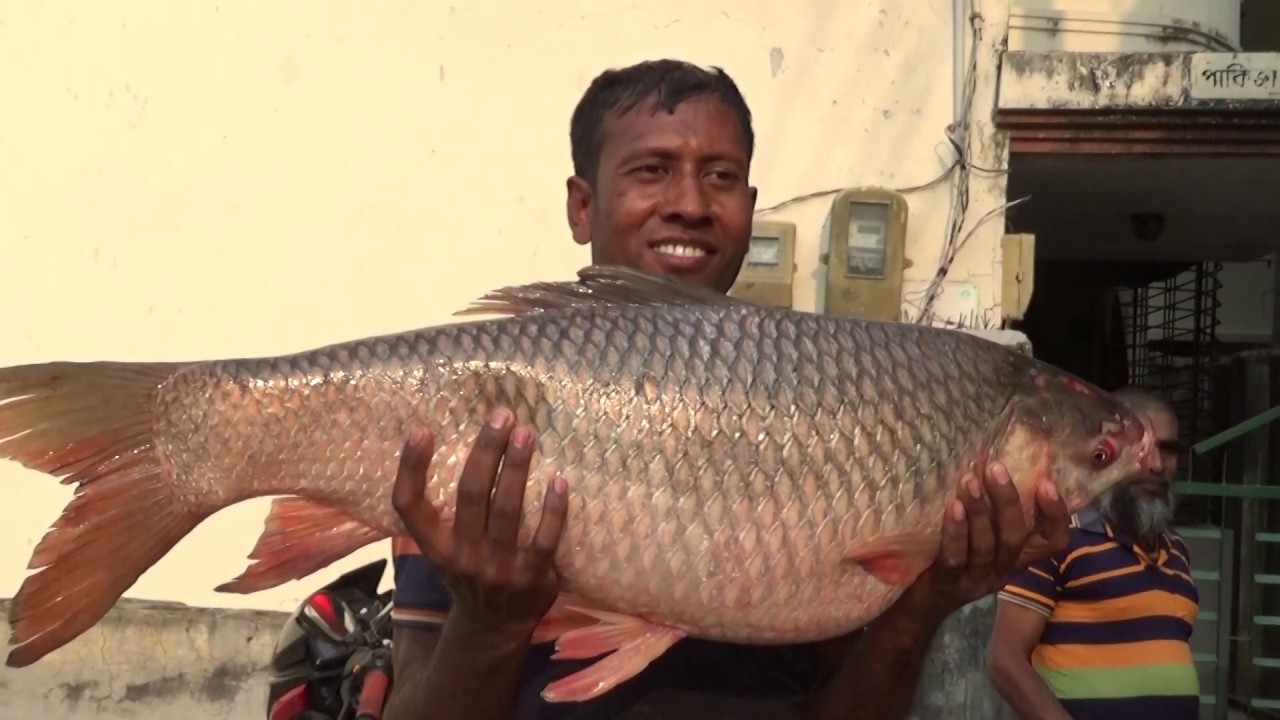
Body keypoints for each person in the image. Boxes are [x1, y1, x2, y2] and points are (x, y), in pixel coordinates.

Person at [382, 58, 1072, 720]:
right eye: (651, 171)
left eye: (720, 176)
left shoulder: (832, 405)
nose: (689, 204)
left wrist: (929, 599)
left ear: (749, 205)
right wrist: (488, 622)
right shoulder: (479, 410)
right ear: (582, 205)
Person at [988, 386, 1199, 720]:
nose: (1156, 465)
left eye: (1168, 450)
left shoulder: (1177, 552)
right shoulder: (1057, 539)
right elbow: (1005, 660)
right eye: (1141, 450)